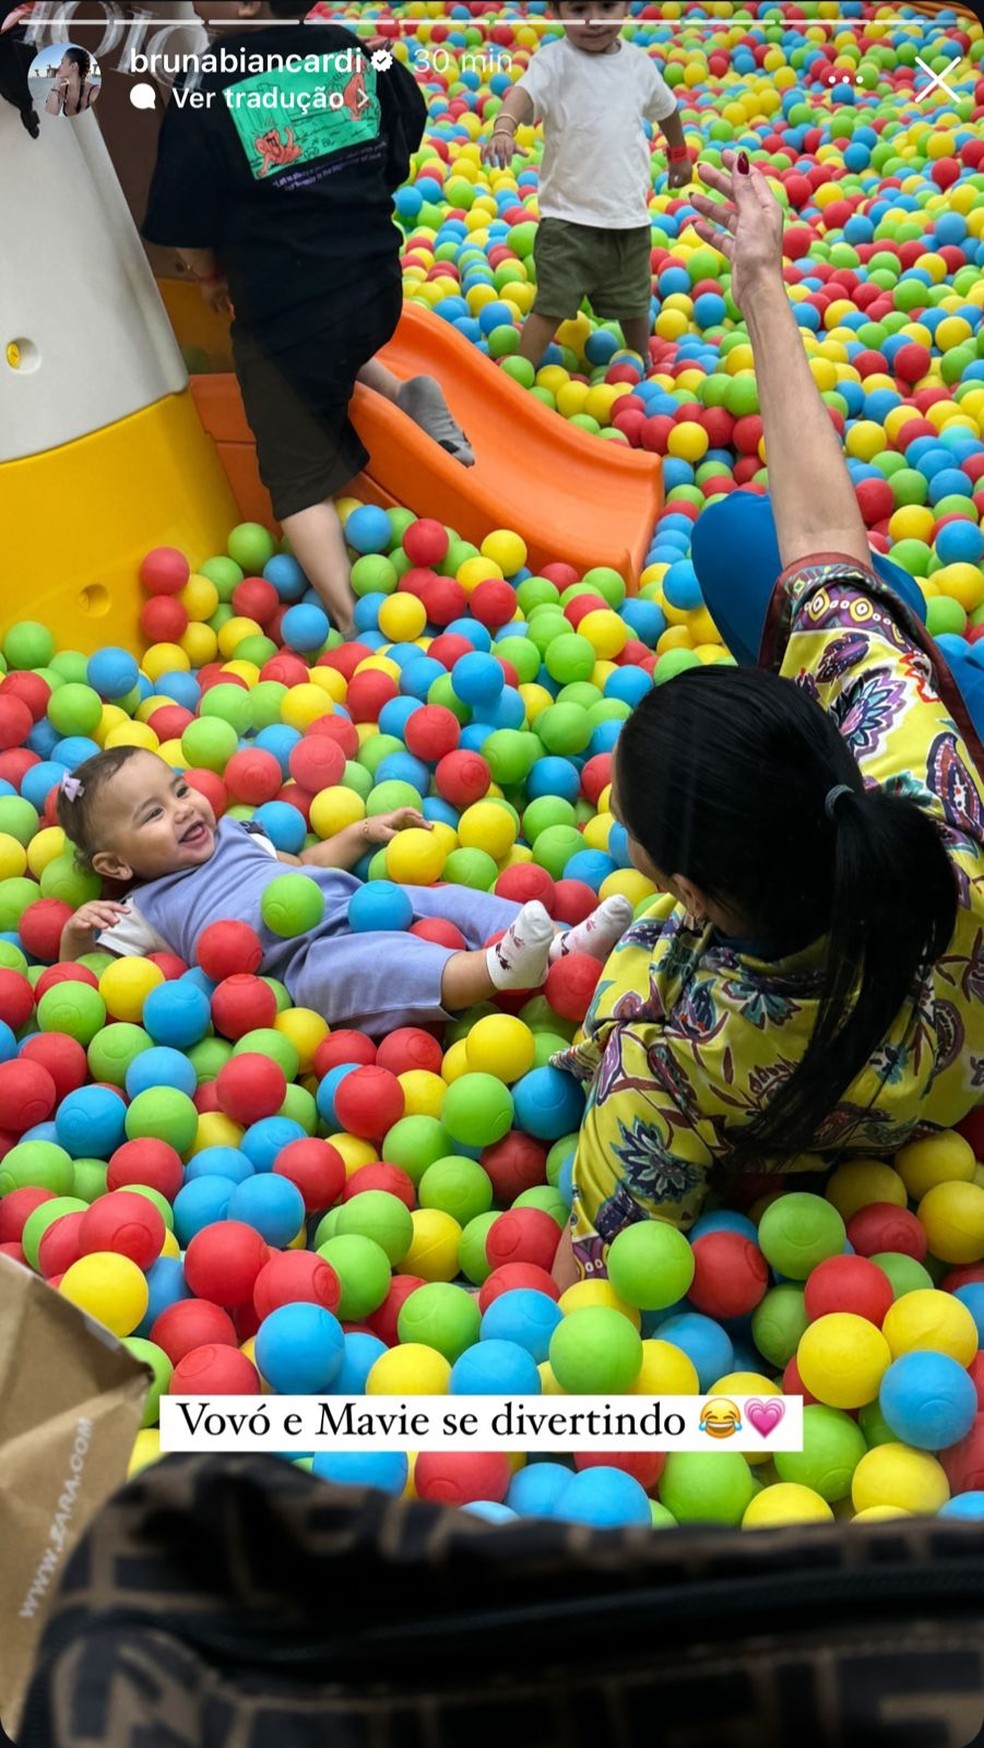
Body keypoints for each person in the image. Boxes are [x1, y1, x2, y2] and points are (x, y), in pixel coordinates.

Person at [551, 149, 984, 1288]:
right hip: (954, 1051)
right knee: (773, 549)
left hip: (843, 1109)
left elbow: (593, 1275)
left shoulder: (677, 1039)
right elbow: (827, 539)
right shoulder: (930, 792)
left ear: (687, 893)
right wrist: (762, 276)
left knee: (745, 542)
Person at [142, 0, 472, 640]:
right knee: (329, 350)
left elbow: (183, 217)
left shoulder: (209, 86)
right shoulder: (351, 49)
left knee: (294, 473)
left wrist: (208, 276)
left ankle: (353, 618)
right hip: (376, 285)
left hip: (290, 313)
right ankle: (404, 393)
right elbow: (405, 120)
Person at [56, 747, 633, 1036]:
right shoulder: (141, 910)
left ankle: (558, 945)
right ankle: (494, 969)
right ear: (116, 863)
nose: (184, 811)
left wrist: (359, 833)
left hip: (353, 900)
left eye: (180, 790)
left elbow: (304, 861)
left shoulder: (236, 834)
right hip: (302, 961)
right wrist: (73, 936)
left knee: (440, 897)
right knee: (384, 965)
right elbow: (86, 987)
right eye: (154, 814)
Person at [481, 0, 690, 370]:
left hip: (627, 219)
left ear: (625, 6)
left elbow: (667, 109)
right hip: (568, 220)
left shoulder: (638, 66)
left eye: (607, 6)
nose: (594, 19)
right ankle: (519, 372)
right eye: (578, 9)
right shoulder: (555, 62)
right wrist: (504, 127)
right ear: (557, 13)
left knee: (634, 301)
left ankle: (642, 361)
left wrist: (678, 154)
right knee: (552, 304)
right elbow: (523, 93)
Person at [44, 46, 97, 116]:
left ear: (73, 66)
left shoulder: (94, 93)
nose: (58, 67)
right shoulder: (62, 90)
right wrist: (56, 85)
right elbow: (50, 114)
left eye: (62, 62)